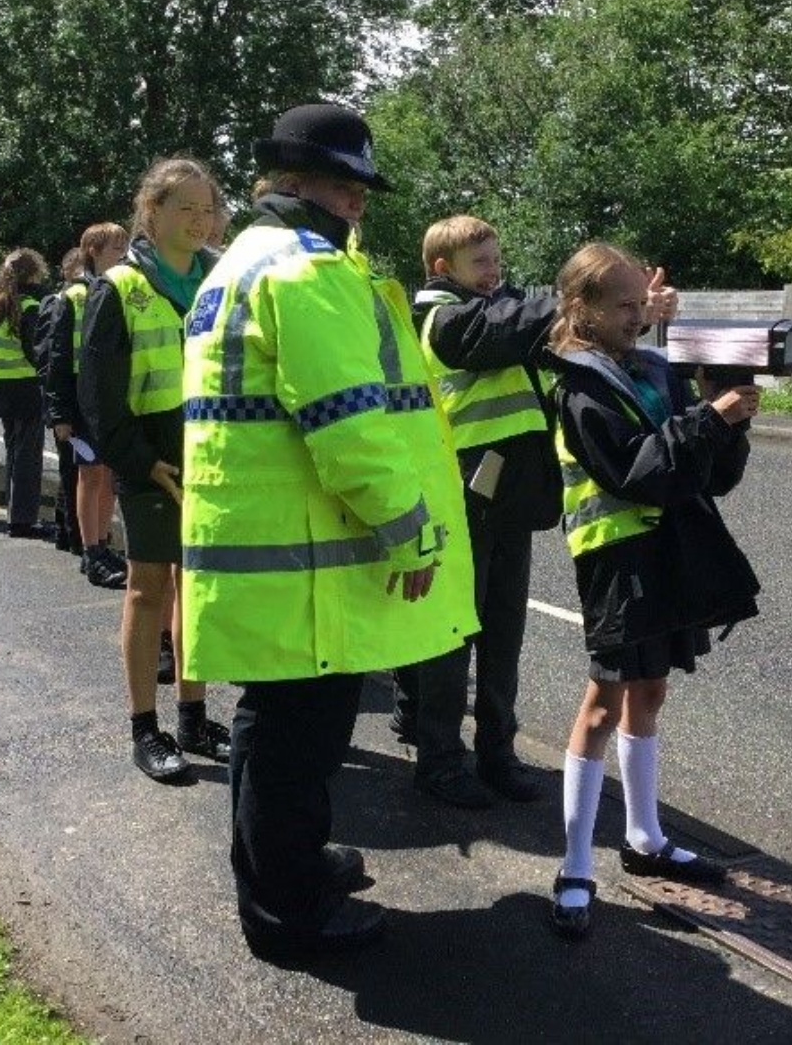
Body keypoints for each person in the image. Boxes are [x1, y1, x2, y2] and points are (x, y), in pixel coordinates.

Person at [179, 103, 478, 958]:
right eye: (345, 185)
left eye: (361, 187)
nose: (357, 201)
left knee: (273, 732)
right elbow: (350, 430)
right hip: (306, 564)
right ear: (296, 182)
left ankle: (287, 870)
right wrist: (411, 534)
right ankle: (289, 913)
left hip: (271, 555)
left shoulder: (244, 261)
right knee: (297, 746)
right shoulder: (307, 272)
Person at [543, 242, 761, 940]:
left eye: (644, 304)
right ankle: (575, 865)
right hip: (618, 563)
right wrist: (709, 419)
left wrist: (729, 421)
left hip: (668, 555)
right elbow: (637, 474)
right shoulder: (578, 386)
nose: (639, 317)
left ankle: (644, 838)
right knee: (603, 705)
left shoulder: (655, 370)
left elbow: (709, 475)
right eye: (624, 306)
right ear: (581, 308)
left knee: (652, 692)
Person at [392, 215, 562, 808]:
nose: (494, 271)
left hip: (508, 500)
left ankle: (497, 754)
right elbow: (503, 329)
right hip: (463, 498)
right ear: (444, 270)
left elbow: (550, 338)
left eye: (497, 260)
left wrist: (637, 314)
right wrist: (578, 298)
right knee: (454, 636)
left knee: (503, 637)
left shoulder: (498, 311)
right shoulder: (442, 318)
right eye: (481, 262)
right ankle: (440, 763)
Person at [79, 157, 232, 781]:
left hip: (213, 460)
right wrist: (144, 464)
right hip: (151, 463)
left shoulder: (222, 279)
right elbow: (99, 400)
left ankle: (194, 717)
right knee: (149, 590)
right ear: (152, 211)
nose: (199, 220)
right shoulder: (118, 287)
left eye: (207, 209)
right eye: (185, 208)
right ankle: (146, 727)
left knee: (197, 588)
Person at [43, 225, 130, 588]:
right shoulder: (74, 296)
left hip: (110, 400)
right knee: (90, 475)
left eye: (125, 247)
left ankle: (103, 545)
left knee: (108, 476)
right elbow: (57, 358)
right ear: (93, 251)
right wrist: (60, 413)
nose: (123, 254)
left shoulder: (122, 289)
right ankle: (90, 550)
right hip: (82, 402)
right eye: (116, 248)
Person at [0, 248, 52, 539]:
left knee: (14, 450)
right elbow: (36, 351)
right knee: (27, 456)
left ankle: (14, 513)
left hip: (0, 384)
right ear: (34, 273)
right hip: (25, 385)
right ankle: (23, 520)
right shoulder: (30, 306)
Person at [36, 247, 87, 558]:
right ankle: (75, 535)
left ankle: (65, 530)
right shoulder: (58, 301)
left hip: (73, 397)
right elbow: (47, 356)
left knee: (74, 469)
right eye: (77, 267)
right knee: (72, 470)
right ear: (66, 271)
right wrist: (57, 407)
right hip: (64, 398)